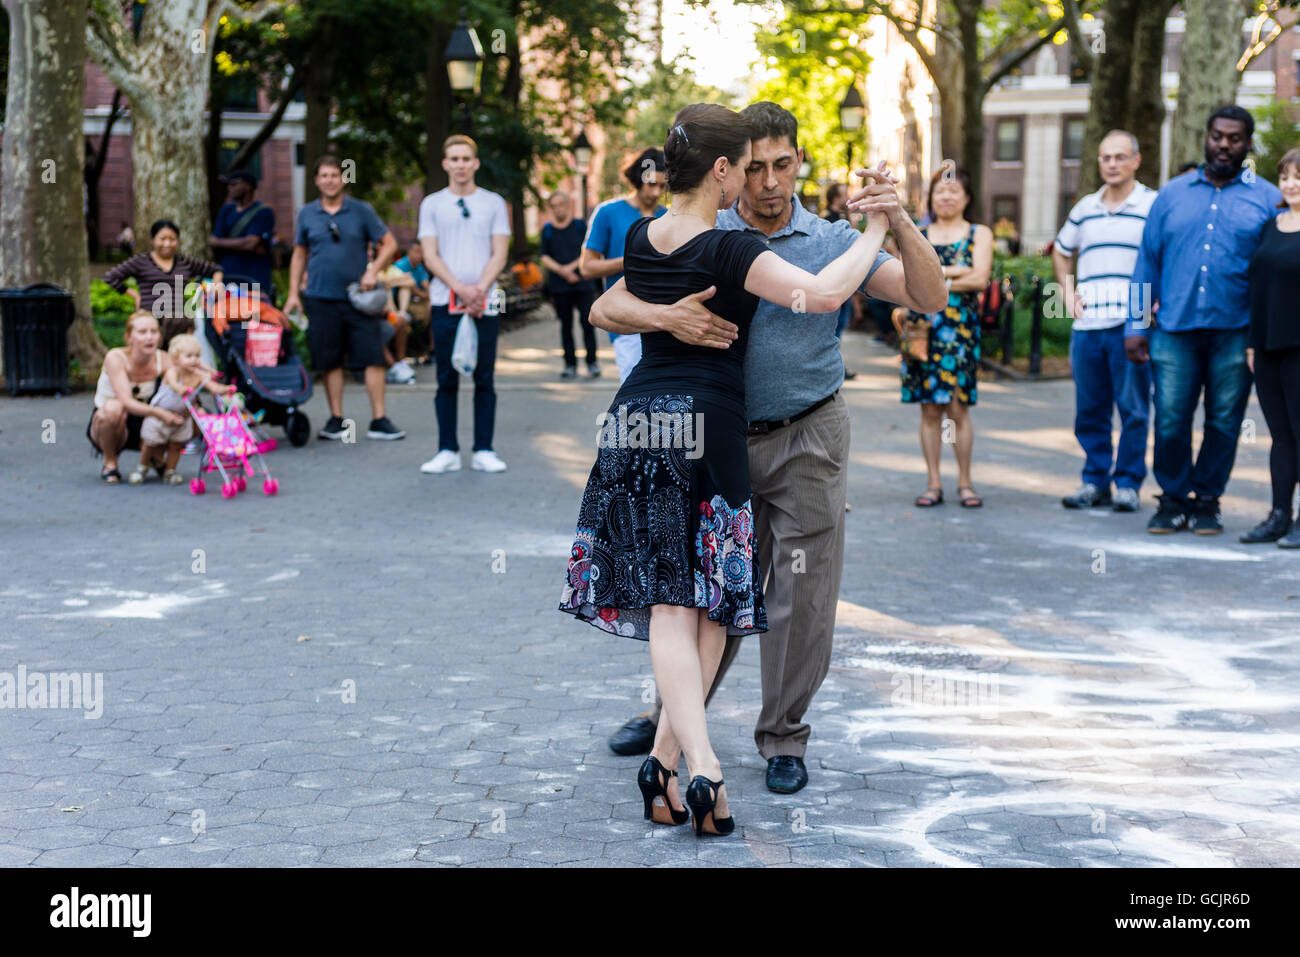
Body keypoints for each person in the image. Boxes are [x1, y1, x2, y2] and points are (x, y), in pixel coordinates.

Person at [559, 102, 899, 836]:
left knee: (697, 601)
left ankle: (660, 759)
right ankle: (704, 765)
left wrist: (660, 317)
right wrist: (875, 227)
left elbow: (609, 303)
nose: (756, 178)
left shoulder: (644, 234)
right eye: (745, 165)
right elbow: (828, 294)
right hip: (705, 430)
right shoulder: (727, 248)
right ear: (721, 170)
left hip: (640, 423)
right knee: (692, 601)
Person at [1126, 105, 1283, 534]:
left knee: (1224, 420)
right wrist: (1137, 325)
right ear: (1206, 138)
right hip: (1174, 331)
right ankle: (1173, 499)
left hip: (1235, 331)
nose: (1224, 145)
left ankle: (1207, 501)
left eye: (1234, 139)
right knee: (1171, 417)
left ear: (1248, 144)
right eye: (1217, 136)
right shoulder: (1171, 195)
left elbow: (1277, 269)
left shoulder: (1268, 199)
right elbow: (1147, 264)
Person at [1053, 130, 1156, 513]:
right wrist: (1067, 293)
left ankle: (1127, 483)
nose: (1111, 164)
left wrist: (1153, 304)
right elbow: (1062, 253)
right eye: (1105, 158)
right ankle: (1094, 480)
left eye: (1119, 157)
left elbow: (1165, 256)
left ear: (1136, 160)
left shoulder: (1153, 205)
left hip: (1133, 324)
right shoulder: (1085, 207)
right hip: (1088, 327)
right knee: (1090, 409)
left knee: (1133, 408)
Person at [283, 154, 405, 441]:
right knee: (329, 360)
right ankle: (336, 420)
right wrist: (292, 294)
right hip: (320, 297)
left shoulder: (361, 211)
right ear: (316, 180)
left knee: (373, 356)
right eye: (324, 176)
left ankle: (379, 419)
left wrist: (373, 270)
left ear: (343, 178)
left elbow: (389, 244)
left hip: (358, 298)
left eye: (334, 175)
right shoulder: (307, 214)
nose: (329, 181)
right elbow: (299, 253)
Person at [416, 134, 512, 474]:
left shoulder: (493, 203)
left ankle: (484, 448)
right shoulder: (432, 204)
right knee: (446, 377)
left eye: (465, 158)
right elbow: (430, 254)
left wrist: (480, 289)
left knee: (484, 377)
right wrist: (460, 288)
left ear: (475, 163)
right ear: (445, 164)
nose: (459, 164)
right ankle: (447, 450)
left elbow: (499, 251)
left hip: (486, 301)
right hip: (446, 301)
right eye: (453, 159)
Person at [901, 165, 993, 509]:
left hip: (960, 330)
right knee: (929, 410)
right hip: (922, 329)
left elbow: (980, 278)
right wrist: (957, 272)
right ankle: (933, 482)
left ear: (967, 197)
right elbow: (905, 276)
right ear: (931, 197)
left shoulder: (979, 233)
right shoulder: (918, 232)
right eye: (940, 191)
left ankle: (965, 482)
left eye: (954, 191)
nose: (947, 196)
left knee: (957, 407)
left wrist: (935, 276)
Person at [1241, 148, 1300, 548]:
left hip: (1299, 347)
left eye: (1298, 177)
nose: (1290, 184)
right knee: (1280, 436)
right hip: (1266, 346)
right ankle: (1279, 515)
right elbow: (1255, 288)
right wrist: (1250, 343)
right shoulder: (1270, 225)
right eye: (1285, 176)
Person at [579, 148, 668, 381]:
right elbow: (587, 267)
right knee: (635, 394)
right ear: (638, 179)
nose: (656, 192)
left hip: (666, 319)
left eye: (662, 185)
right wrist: (631, 261)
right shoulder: (608, 212)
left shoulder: (669, 216)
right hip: (626, 319)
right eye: (651, 184)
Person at [86, 312, 179, 483]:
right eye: (142, 332)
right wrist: (161, 414)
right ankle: (110, 461)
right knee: (114, 409)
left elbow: (180, 388)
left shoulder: (164, 359)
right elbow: (126, 402)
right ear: (129, 337)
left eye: (153, 331)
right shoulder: (115, 357)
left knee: (188, 413)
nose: (149, 337)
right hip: (112, 423)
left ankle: (154, 455)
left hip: (144, 420)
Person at [102, 219, 223, 349]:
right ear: (153, 240)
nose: (167, 244)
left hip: (178, 322)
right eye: (162, 239)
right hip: (150, 321)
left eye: (172, 239)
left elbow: (215, 269)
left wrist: (217, 283)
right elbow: (111, 277)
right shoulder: (141, 261)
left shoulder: (184, 262)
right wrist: (135, 295)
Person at [131, 334, 232, 485]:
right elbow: (172, 384)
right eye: (189, 356)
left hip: (181, 417)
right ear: (176, 359)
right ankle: (142, 467)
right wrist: (180, 388)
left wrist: (225, 389)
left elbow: (213, 386)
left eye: (197, 356)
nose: (194, 359)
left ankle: (170, 471)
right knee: (150, 443)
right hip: (159, 414)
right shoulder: (173, 372)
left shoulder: (198, 376)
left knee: (176, 445)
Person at [539, 190, 599, 378]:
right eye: (554, 206)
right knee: (565, 326)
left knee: (587, 324)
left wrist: (572, 269)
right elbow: (544, 257)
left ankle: (592, 363)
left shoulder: (580, 226)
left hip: (583, 284)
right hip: (560, 286)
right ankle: (569, 365)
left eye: (561, 205)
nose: (558, 209)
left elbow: (588, 250)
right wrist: (562, 271)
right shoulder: (547, 230)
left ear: (567, 205)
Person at [208, 169, 275, 297]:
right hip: (228, 277)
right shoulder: (227, 210)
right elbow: (213, 241)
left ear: (248, 186)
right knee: (225, 314)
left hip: (254, 280)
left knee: (253, 315)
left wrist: (220, 243)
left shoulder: (263, 212)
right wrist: (244, 243)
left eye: (234, 184)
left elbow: (250, 243)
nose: (229, 188)